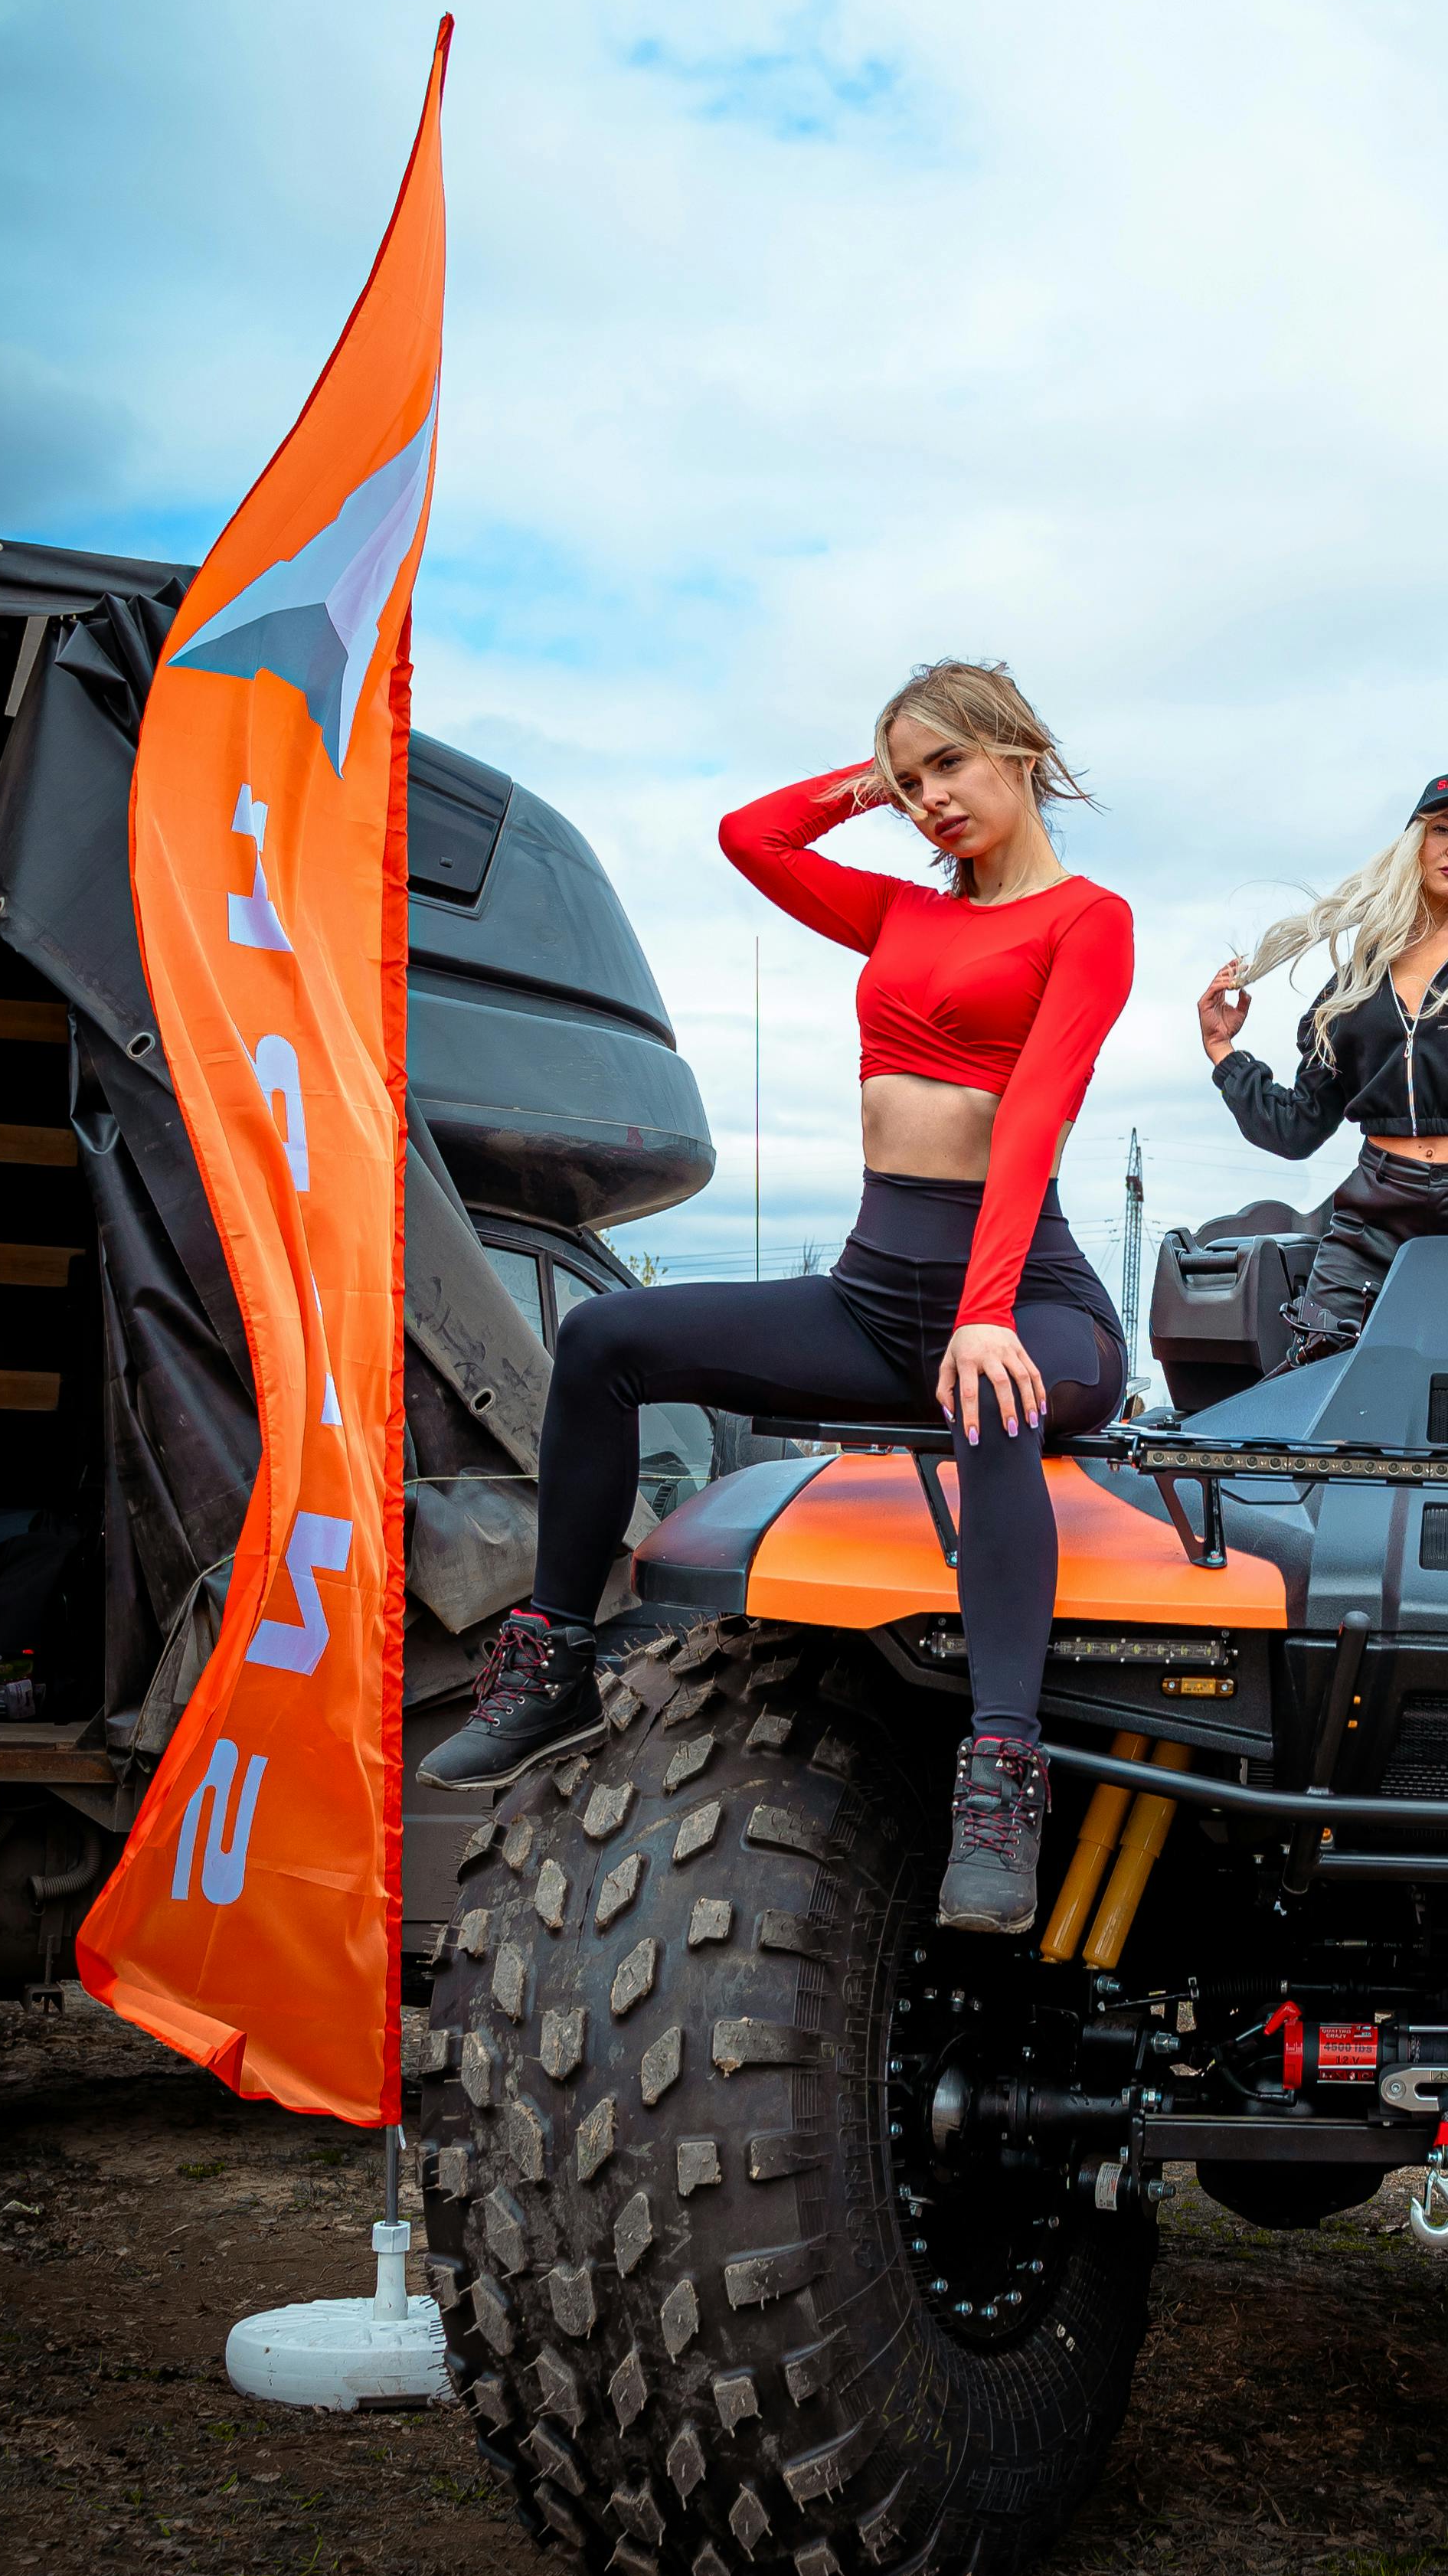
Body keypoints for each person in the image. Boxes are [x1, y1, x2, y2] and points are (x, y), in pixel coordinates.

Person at [420, 659, 1133, 1938]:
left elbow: (1035, 1112)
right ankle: (553, 1661)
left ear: (1020, 753)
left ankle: (1000, 1785)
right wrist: (870, 779)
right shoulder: (901, 918)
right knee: (604, 1336)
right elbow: (748, 835)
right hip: (871, 1302)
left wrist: (983, 1313)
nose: (930, 801)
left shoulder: (1089, 919)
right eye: (910, 781)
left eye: (951, 767)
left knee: (993, 1408)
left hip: (1031, 1302)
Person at [1198, 773, 1448, 1359]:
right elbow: (1294, 1129)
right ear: (1412, 844)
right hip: (1376, 1209)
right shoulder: (1359, 978)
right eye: (1442, 829)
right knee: (1318, 1371)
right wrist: (1224, 1053)